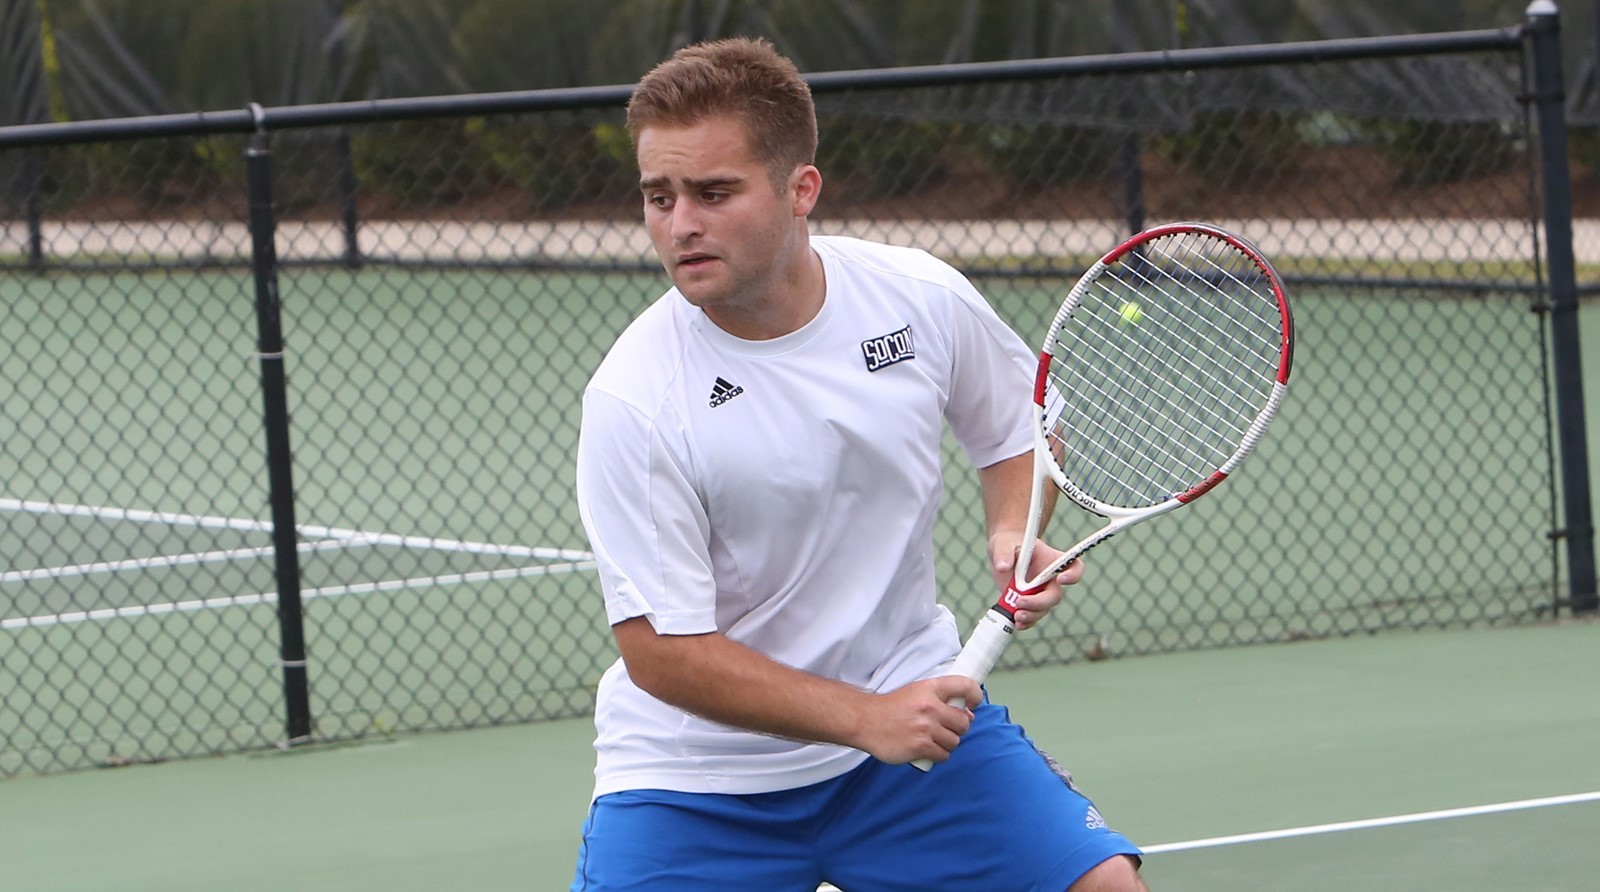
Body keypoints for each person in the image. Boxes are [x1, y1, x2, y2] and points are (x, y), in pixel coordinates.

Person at [571, 36, 1146, 891]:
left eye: (714, 191)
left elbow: (1019, 434)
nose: (680, 222)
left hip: (912, 721)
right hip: (698, 784)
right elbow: (663, 650)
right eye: (659, 195)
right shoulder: (636, 398)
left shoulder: (917, 297)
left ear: (801, 189)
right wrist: (864, 720)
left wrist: (1010, 532)